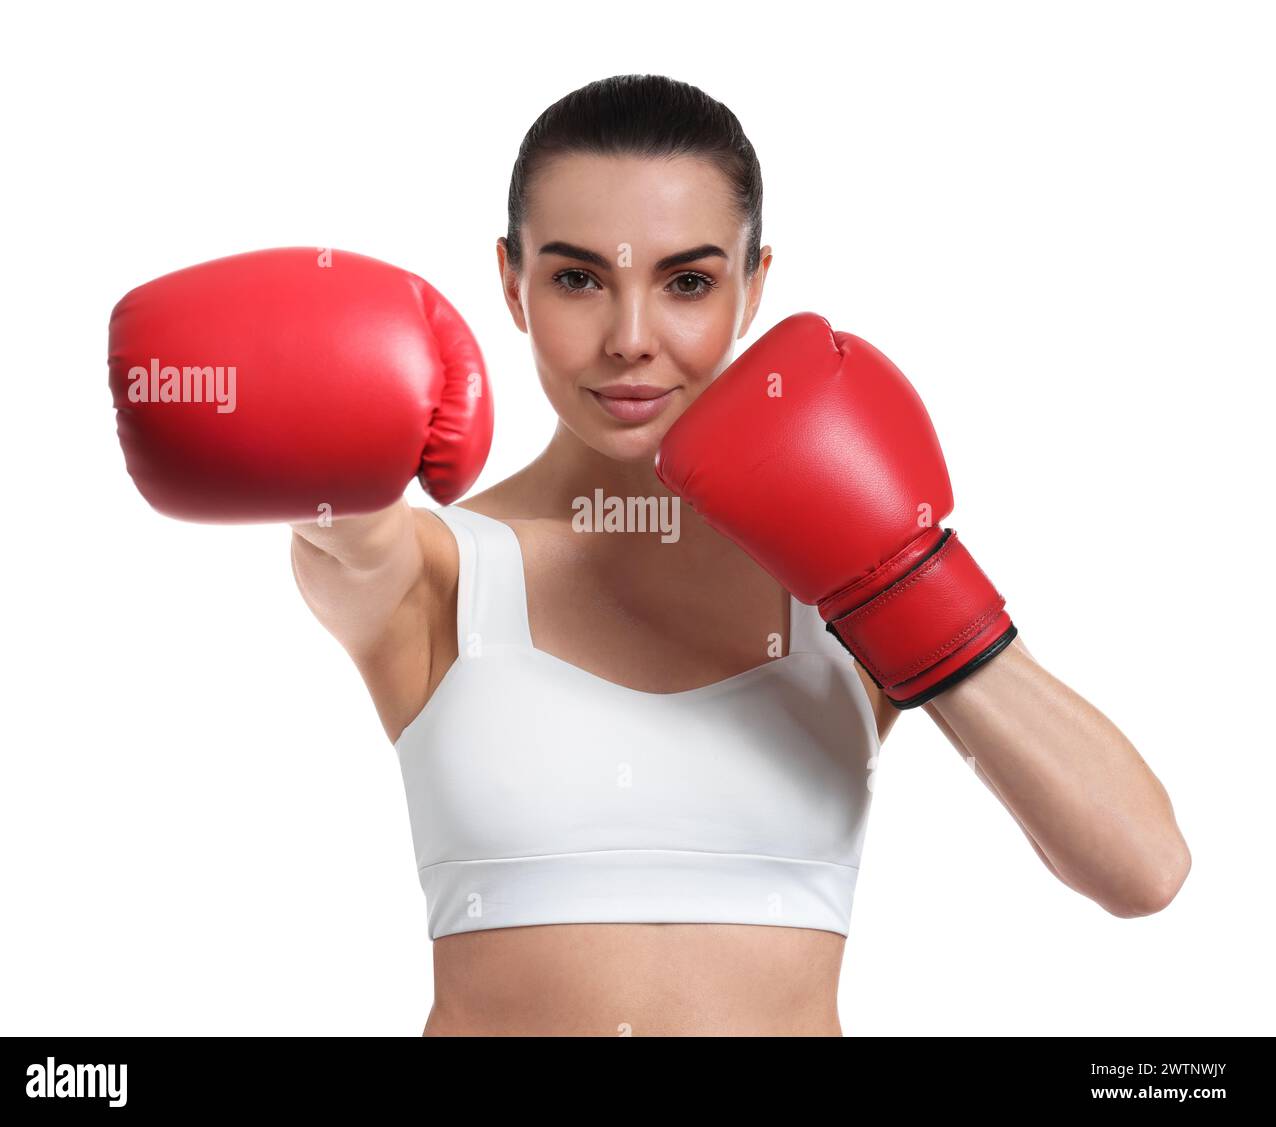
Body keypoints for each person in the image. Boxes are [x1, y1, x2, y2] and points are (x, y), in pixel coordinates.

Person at [110, 74, 1191, 1037]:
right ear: (509, 282)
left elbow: (1143, 870)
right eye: (577, 279)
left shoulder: (835, 567)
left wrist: (905, 576)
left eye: (686, 281)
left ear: (753, 285)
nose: (630, 335)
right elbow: (343, 530)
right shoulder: (434, 569)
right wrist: (313, 408)